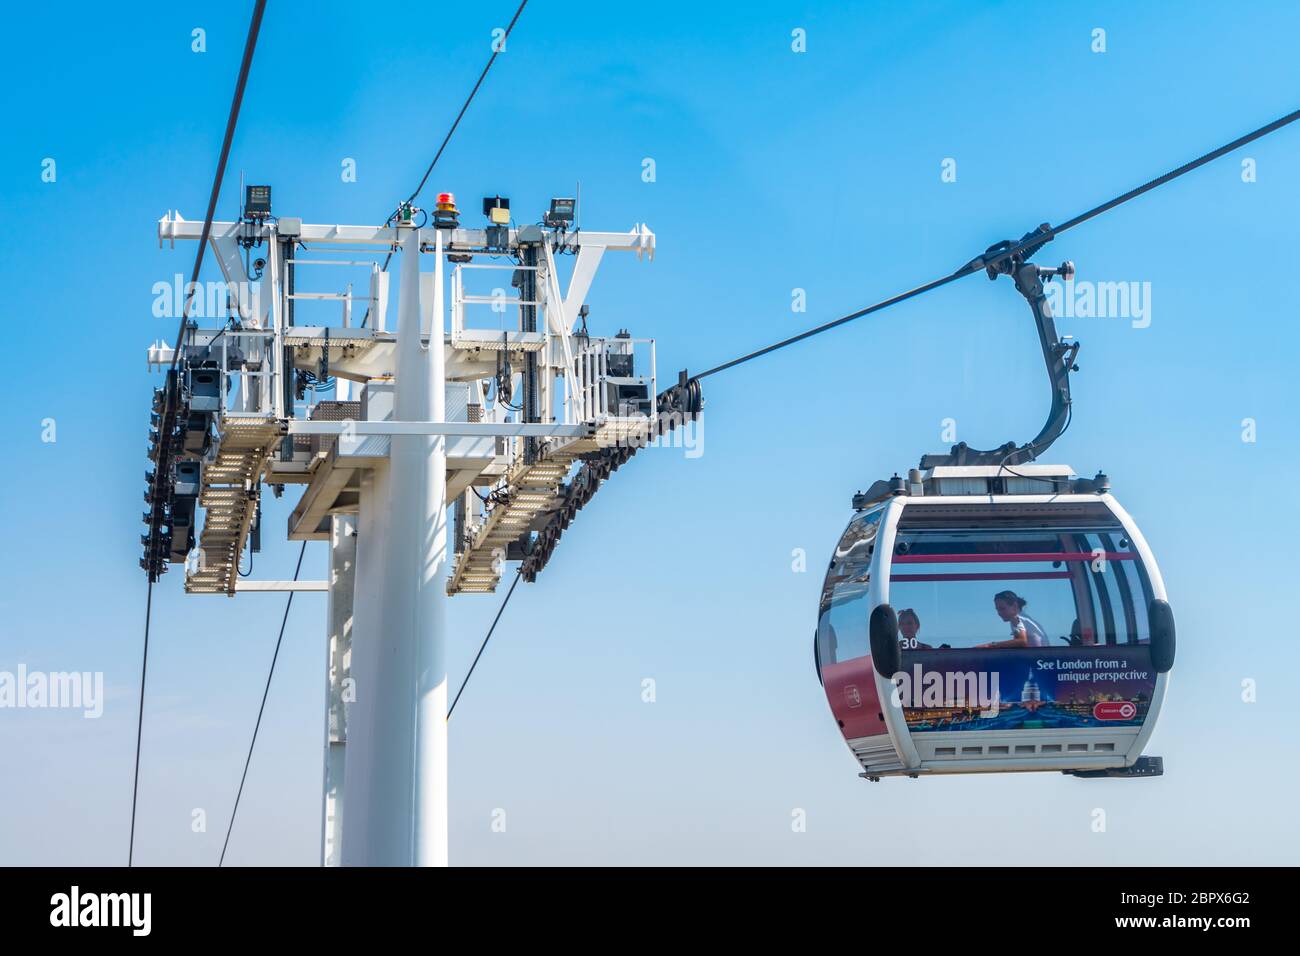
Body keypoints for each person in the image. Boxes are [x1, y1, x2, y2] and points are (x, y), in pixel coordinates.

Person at [978, 591, 1049, 648]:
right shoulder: (1026, 619)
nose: (999, 613)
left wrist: (990, 645)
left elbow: (1021, 641)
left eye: (1002, 608)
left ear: (1014, 606)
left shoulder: (1016, 618)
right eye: (997, 609)